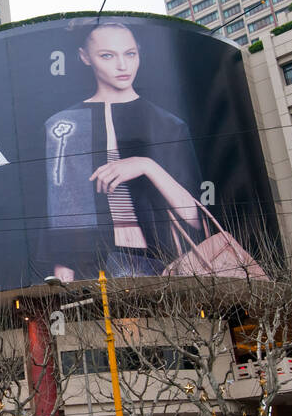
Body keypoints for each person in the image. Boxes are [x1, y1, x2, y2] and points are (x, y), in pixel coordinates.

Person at [41, 18, 221, 281]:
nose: (122, 66)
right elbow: (62, 210)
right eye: (107, 55)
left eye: (130, 54)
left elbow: (195, 218)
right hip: (93, 264)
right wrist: (63, 272)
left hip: (164, 263)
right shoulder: (63, 125)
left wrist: (146, 166)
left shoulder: (168, 124)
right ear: (85, 57)